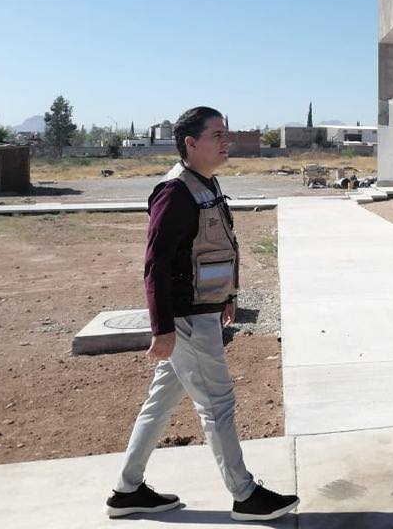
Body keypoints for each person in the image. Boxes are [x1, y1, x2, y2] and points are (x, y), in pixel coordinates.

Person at [106, 106, 299, 522]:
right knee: (218, 405)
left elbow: (213, 247)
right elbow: (155, 263)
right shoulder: (175, 192)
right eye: (217, 135)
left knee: (160, 403)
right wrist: (162, 328)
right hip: (187, 320)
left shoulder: (204, 184)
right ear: (190, 144)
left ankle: (127, 489)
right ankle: (245, 495)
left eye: (226, 133)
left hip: (202, 311)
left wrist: (228, 295)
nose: (226, 140)